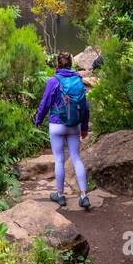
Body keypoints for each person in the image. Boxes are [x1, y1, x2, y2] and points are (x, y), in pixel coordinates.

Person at [34, 50, 91, 210]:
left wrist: (38, 120)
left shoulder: (53, 81)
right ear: (71, 64)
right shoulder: (78, 80)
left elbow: (45, 103)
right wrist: (84, 127)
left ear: (57, 64)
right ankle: (84, 195)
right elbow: (85, 106)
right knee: (76, 158)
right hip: (74, 125)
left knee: (59, 159)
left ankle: (60, 195)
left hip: (56, 125)